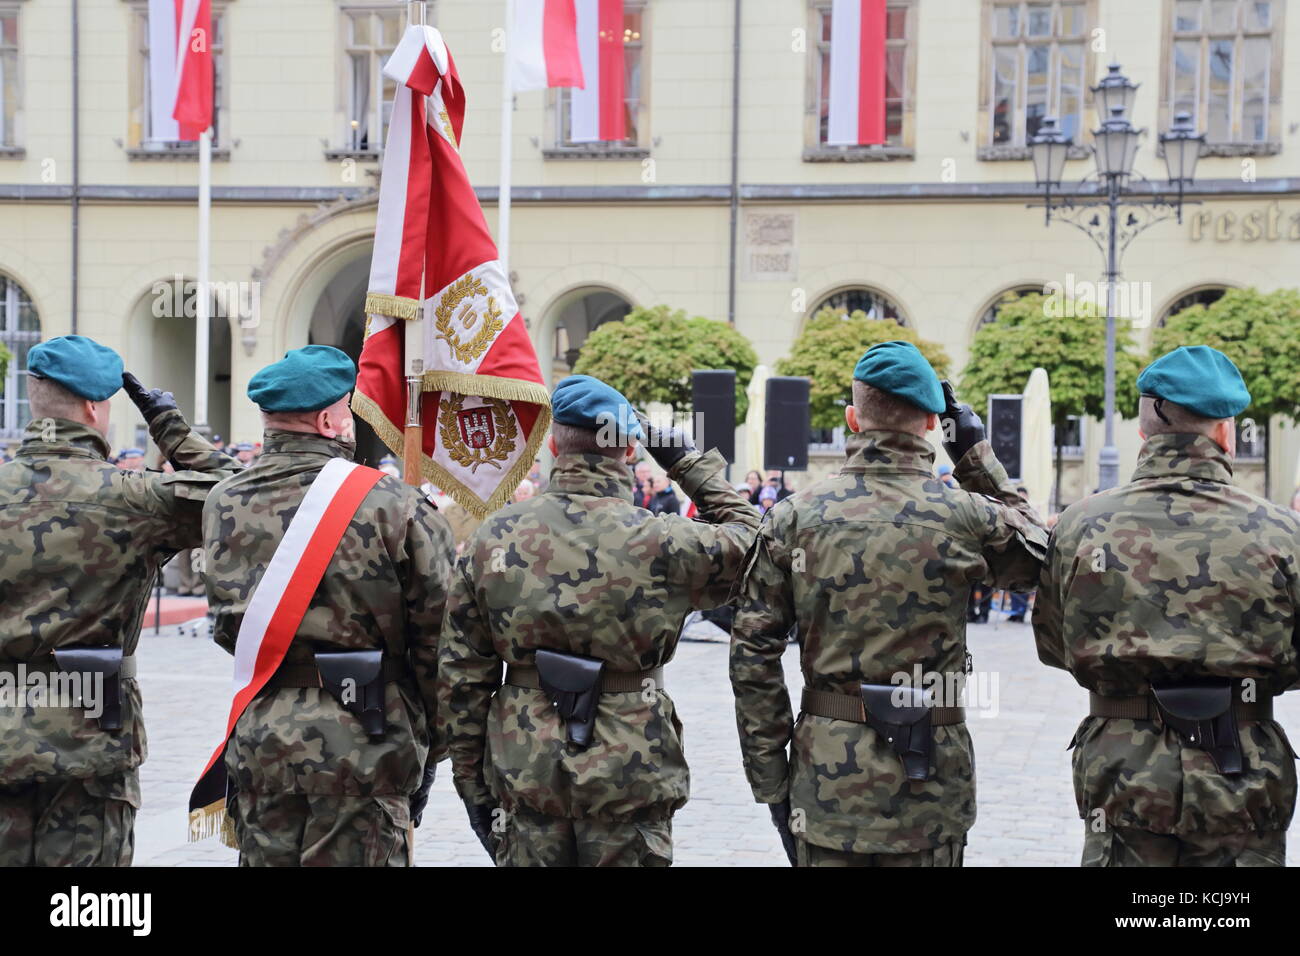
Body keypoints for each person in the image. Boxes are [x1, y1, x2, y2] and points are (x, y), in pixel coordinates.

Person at [730, 340, 1048, 867]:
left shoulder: (793, 517)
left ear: (854, 419)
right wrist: (976, 459)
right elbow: (1042, 561)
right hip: (930, 780)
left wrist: (771, 782)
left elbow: (752, 655)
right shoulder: (966, 515)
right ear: (930, 424)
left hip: (825, 776)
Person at [438, 373, 759, 867]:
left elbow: (462, 677)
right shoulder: (664, 540)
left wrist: (471, 785)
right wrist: (686, 463)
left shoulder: (493, 537)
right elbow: (756, 540)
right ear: (630, 450)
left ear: (552, 446)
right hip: (629, 771)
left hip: (526, 768)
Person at [1033, 346, 1300, 867]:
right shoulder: (1284, 532)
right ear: (1226, 432)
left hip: (1122, 768)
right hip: (1244, 771)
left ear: (1144, 427)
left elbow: (1055, 647)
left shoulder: (1082, 524)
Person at [201, 345, 455, 866]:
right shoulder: (394, 503)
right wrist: (432, 738)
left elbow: (229, 630)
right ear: (327, 420)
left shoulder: (224, 500)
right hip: (367, 740)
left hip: (263, 736)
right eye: (347, 411)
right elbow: (440, 640)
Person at [0, 334, 238, 866]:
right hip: (90, 741)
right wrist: (168, 425)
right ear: (93, 407)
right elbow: (240, 498)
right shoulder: (133, 497)